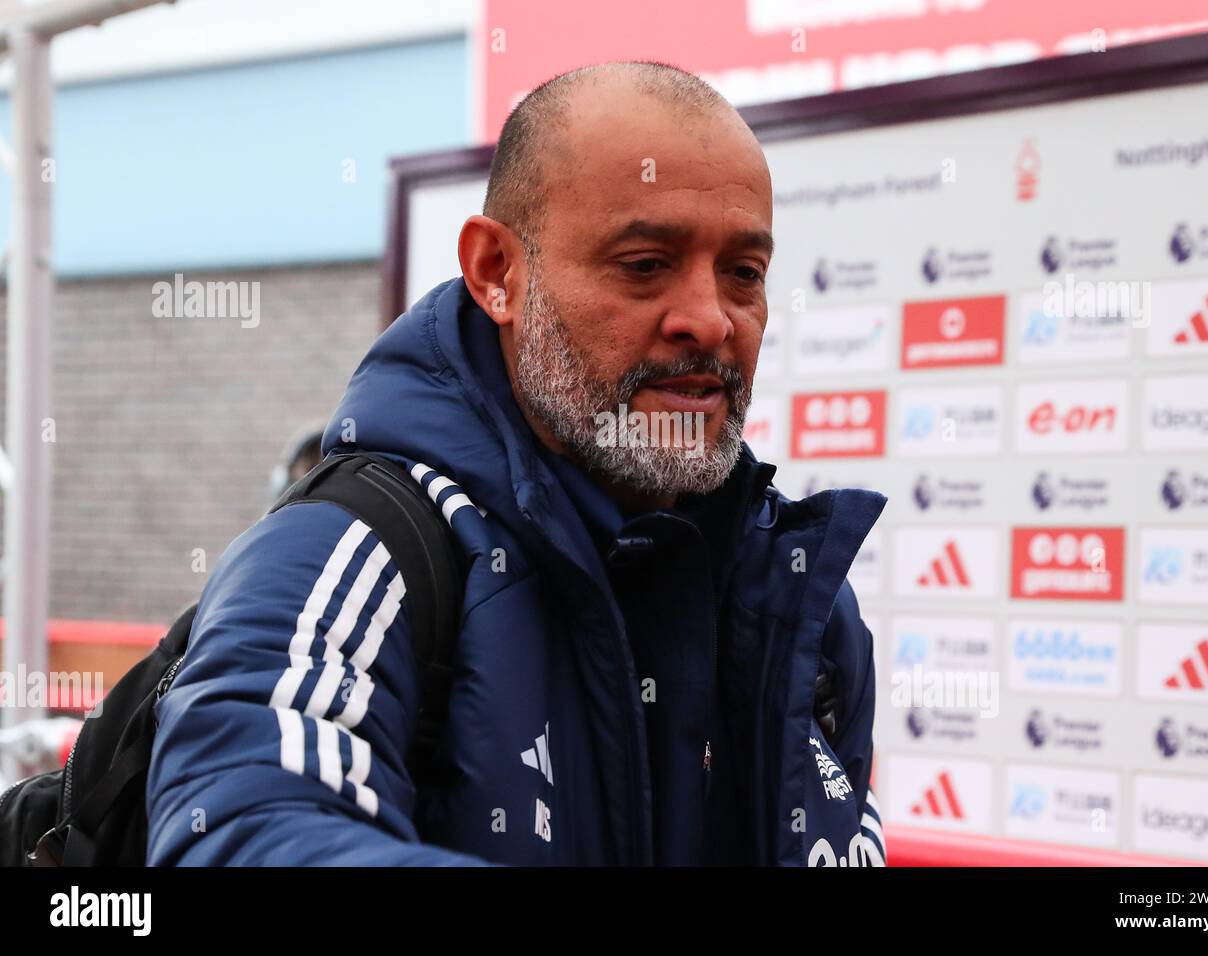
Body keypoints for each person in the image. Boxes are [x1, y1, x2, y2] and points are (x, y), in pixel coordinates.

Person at [146, 61, 887, 866]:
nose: (709, 321)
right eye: (643, 265)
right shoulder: (348, 552)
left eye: (742, 273)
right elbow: (242, 834)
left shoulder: (801, 598)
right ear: (497, 274)